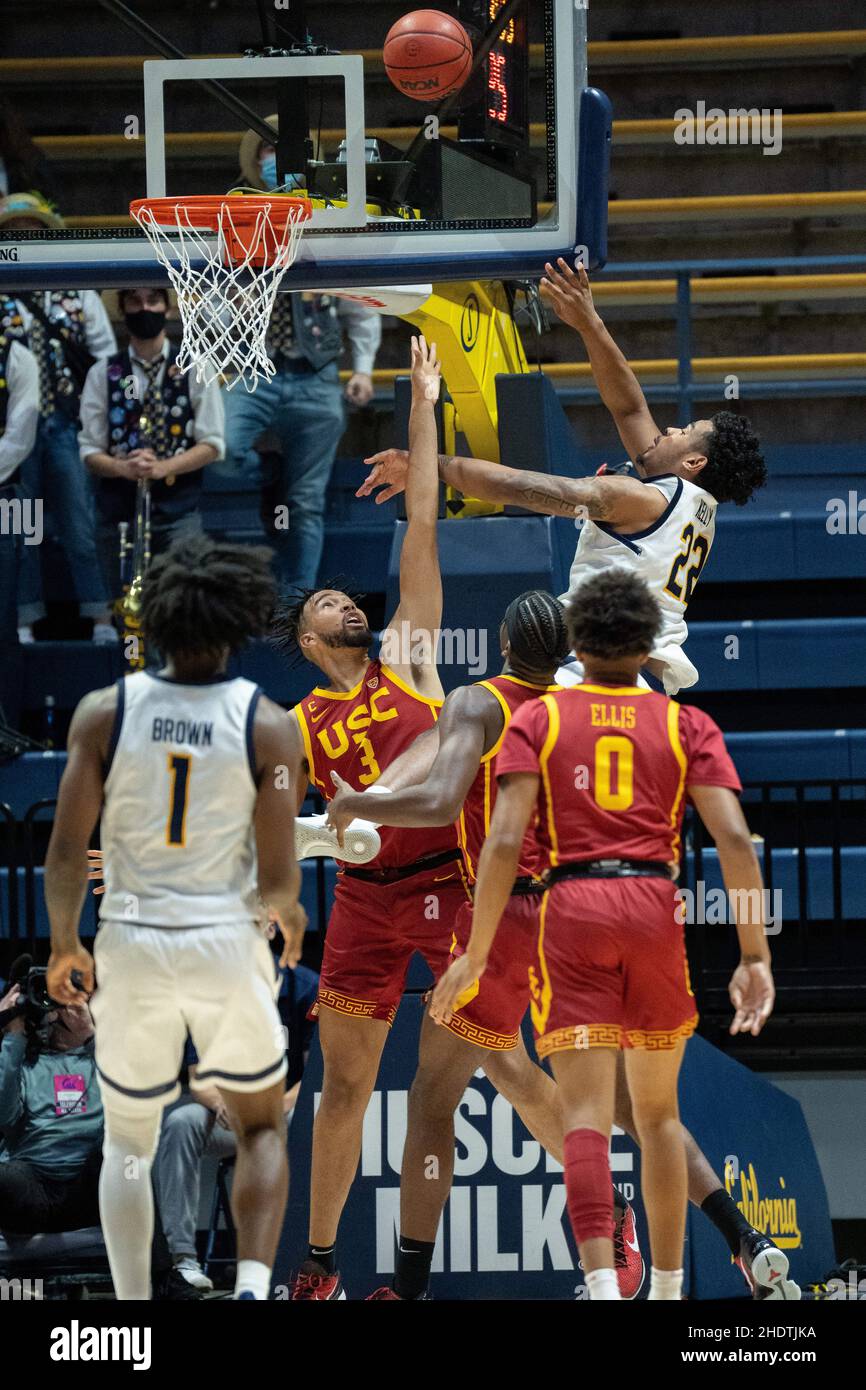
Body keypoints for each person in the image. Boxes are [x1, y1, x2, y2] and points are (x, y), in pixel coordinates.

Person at [326, 589, 797, 1302]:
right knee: (640, 1110)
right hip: (615, 911)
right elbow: (732, 837)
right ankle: (740, 1238)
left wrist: (360, 802)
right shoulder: (612, 712)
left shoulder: (499, 708)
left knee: (435, 1098)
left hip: (517, 915)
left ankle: (413, 1288)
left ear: (504, 646)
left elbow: (462, 814)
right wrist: (755, 955)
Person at [44, 535, 307, 1301]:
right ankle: (251, 1288)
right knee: (261, 1126)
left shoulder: (103, 713)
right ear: (237, 623)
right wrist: (286, 914)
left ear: (153, 621)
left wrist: (63, 943)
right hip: (223, 937)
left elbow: (65, 850)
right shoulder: (269, 723)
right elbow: (279, 876)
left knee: (129, 1140)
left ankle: (133, 1310)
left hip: (132, 938)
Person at [272, 336, 471, 1301]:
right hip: (361, 901)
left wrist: (422, 405)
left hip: (448, 883)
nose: (345, 603)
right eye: (326, 603)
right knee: (343, 1090)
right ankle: (319, 1269)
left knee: (488, 1074)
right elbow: (269, 830)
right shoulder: (297, 726)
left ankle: (412, 1285)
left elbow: (421, 521)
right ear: (309, 641)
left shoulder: (407, 653)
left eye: (346, 596)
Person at [359, 259, 767, 696]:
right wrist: (588, 323)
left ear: (694, 463)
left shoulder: (644, 499)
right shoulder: (691, 506)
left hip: (587, 673)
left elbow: (519, 487)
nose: (670, 429)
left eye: (684, 432)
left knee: (470, 710)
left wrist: (428, 462)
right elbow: (629, 409)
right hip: (632, 677)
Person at [219, 117, 381, 593]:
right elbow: (210, 301)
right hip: (255, 371)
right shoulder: (236, 220)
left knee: (306, 501)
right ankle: (267, 471)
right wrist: (234, 307)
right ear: (256, 164)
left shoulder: (328, 223)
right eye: (268, 152)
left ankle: (298, 601)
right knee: (223, 450)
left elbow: (359, 304)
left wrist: (363, 370)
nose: (276, 160)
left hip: (316, 374)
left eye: (284, 151)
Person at [0, 966, 196, 1299]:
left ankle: (163, 1278)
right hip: (32, 1190)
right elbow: (4, 1116)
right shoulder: (22, 1061)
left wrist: (92, 1037)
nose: (58, 1012)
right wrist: (13, 1033)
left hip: (90, 1192)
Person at [0, 192, 117, 642]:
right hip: (12, 428)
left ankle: (100, 616)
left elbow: (104, 359)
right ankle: (25, 619)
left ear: (47, 235)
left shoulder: (77, 287)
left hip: (68, 423)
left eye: (31, 231)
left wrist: (98, 422)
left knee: (80, 526)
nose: (24, 239)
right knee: (22, 527)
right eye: (13, 233)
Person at [78, 286, 224, 609]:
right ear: (123, 310)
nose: (144, 308)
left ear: (167, 308)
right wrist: (121, 467)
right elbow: (89, 450)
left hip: (179, 511)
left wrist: (163, 467)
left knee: (182, 608)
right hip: (119, 514)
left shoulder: (195, 366)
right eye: (134, 301)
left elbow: (212, 443)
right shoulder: (103, 372)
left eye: (153, 300)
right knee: (127, 613)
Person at [0, 325, 39, 722]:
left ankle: (6, 730)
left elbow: (19, 439)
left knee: (2, 626)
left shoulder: (16, 356)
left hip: (6, 497)